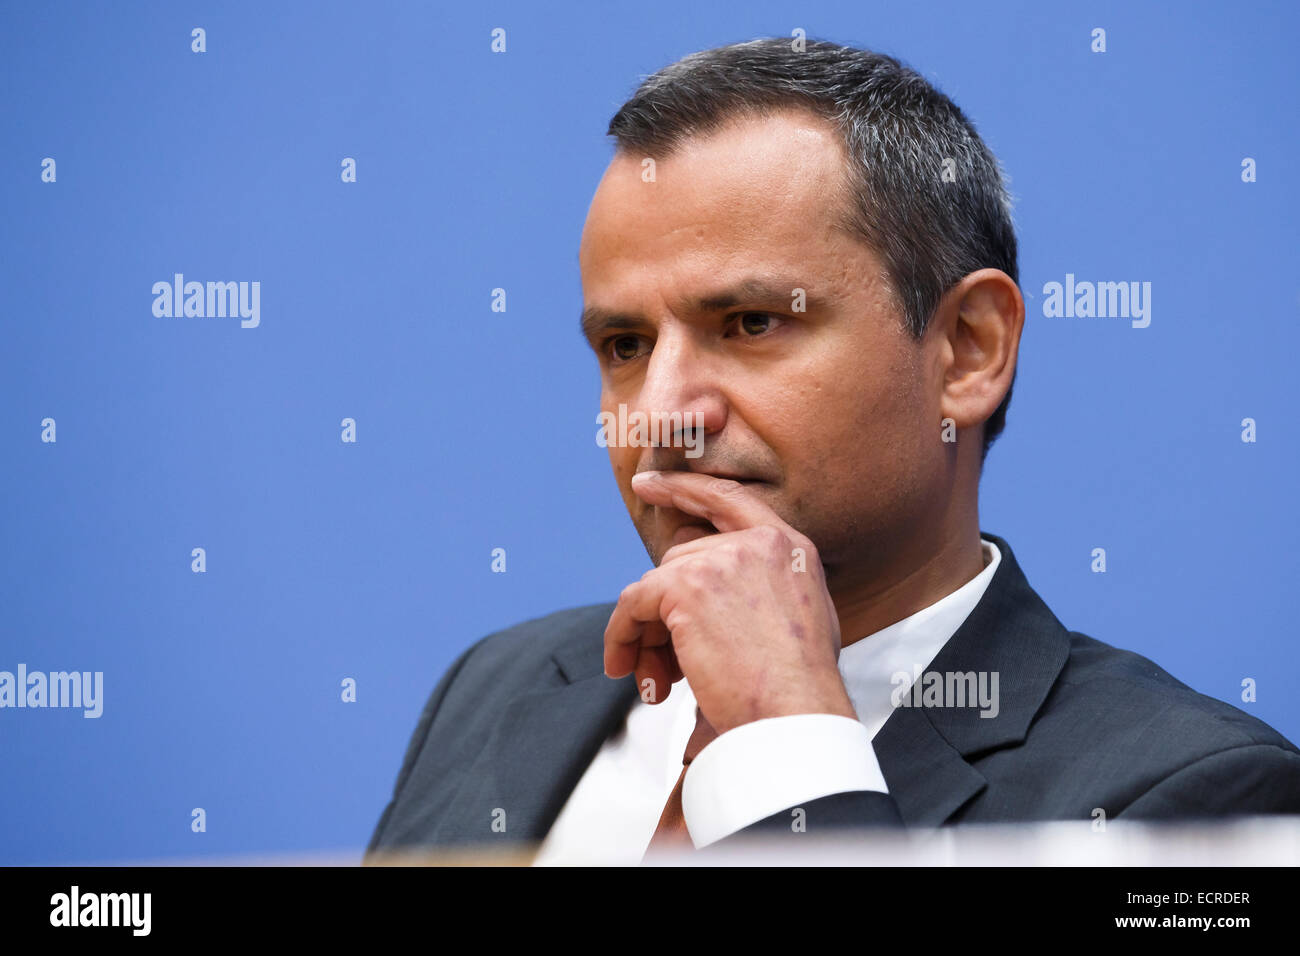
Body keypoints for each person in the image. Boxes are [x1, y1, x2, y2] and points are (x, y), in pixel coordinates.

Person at [365, 38, 1300, 865]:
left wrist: (788, 746)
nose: (660, 414)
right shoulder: (497, 691)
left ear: (968, 350)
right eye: (625, 346)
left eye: (751, 321)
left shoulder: (1193, 800)